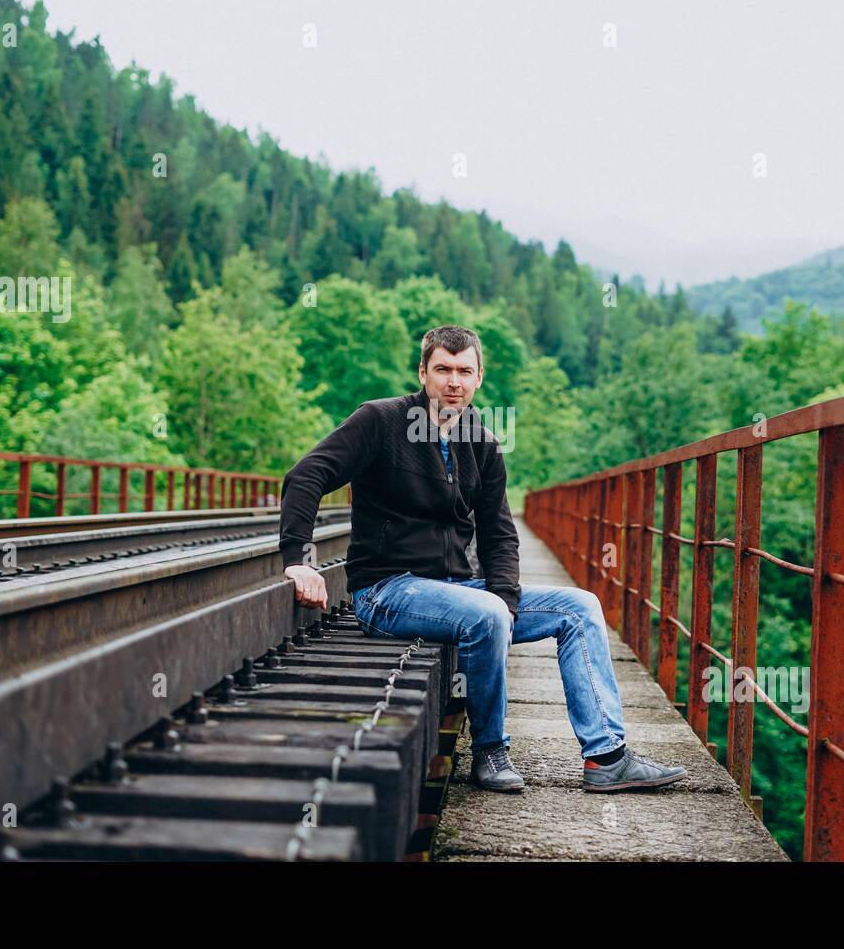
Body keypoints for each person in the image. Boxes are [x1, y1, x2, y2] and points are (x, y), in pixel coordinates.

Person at [279, 324, 688, 793]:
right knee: (487, 613)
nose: (453, 381)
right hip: (387, 591)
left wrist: (507, 602)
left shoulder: (483, 443)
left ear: (478, 379)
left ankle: (607, 757)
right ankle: (491, 751)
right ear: (422, 372)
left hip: (454, 590)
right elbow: (306, 475)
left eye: (463, 371)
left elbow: (499, 534)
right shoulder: (380, 421)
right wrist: (297, 558)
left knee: (580, 607)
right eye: (443, 369)